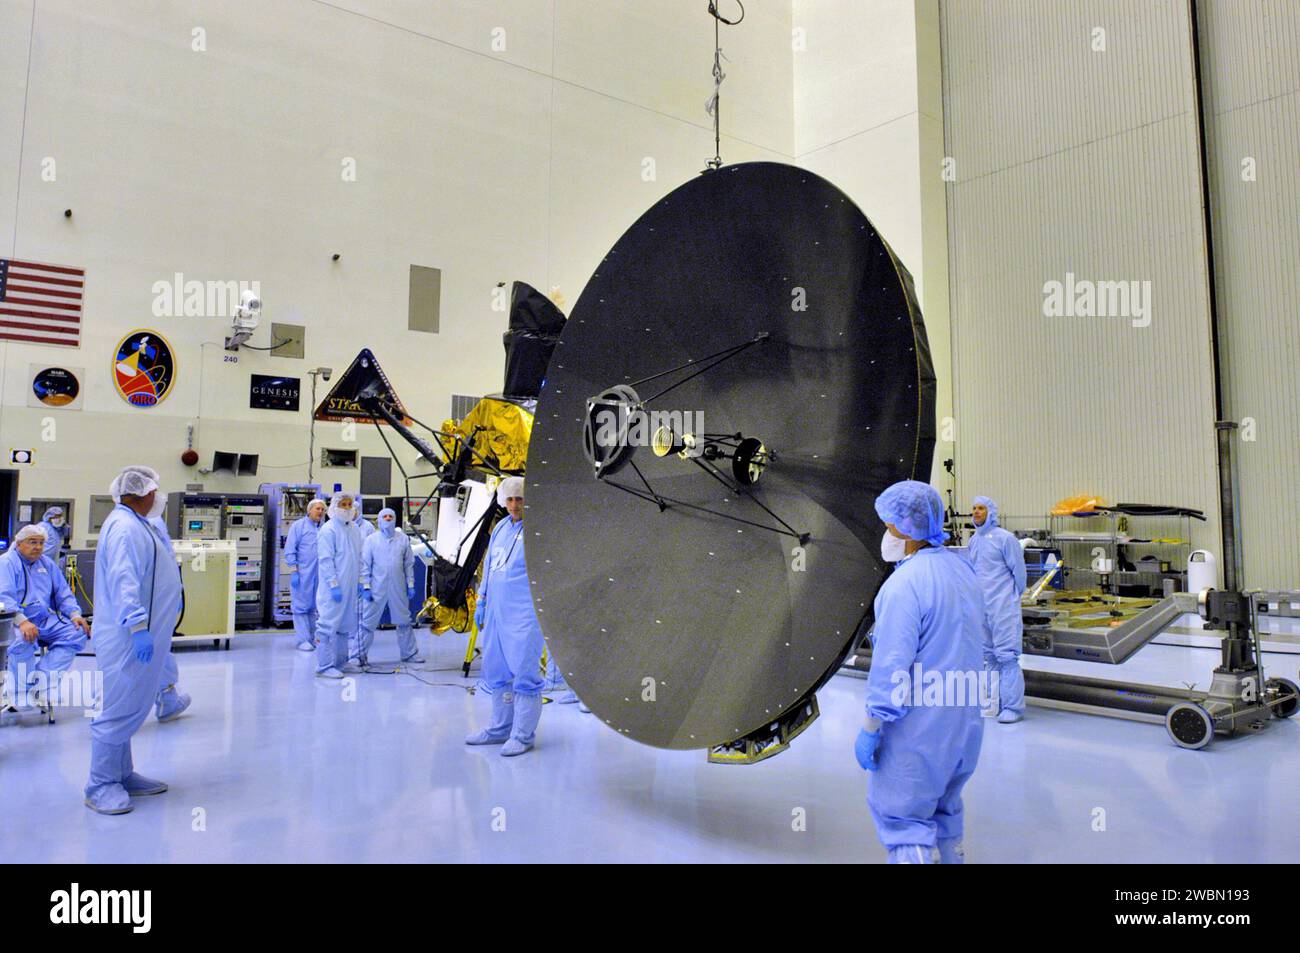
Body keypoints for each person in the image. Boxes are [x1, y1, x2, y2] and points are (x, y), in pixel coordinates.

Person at [856, 480, 985, 864]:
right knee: (946, 810)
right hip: (964, 723)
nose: (887, 532)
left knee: (905, 819)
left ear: (907, 530)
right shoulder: (963, 571)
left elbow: (891, 666)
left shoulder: (904, 584)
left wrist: (871, 727)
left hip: (919, 729)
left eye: (890, 524)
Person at [84, 465, 180, 815]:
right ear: (143, 493)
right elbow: (125, 581)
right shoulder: (124, 528)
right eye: (156, 490)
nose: (159, 497)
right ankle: (100, 783)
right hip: (128, 636)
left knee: (130, 704)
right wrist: (138, 628)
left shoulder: (138, 524)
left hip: (144, 633)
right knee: (116, 707)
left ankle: (121, 773)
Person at [466, 476, 545, 756]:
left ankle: (523, 735)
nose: (514, 505)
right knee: (497, 670)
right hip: (496, 612)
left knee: (524, 671)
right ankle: (500, 728)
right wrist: (482, 601)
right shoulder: (500, 527)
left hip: (524, 613)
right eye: (510, 499)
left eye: (520, 499)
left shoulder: (539, 530)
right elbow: (488, 566)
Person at [1, 524, 90, 710]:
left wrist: (75, 615)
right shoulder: (7, 563)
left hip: (42, 619)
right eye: (32, 542)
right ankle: (20, 693)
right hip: (13, 621)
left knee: (76, 632)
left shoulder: (47, 564)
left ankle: (40, 683)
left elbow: (62, 593)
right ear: (19, 544)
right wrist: (22, 621)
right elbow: (4, 596)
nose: (38, 547)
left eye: (41, 543)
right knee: (22, 640)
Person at [968, 495, 1026, 723]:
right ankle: (992, 703)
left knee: (1007, 657)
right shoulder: (974, 541)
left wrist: (1011, 598)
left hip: (1003, 607)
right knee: (988, 657)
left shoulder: (1005, 539)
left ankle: (1013, 707)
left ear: (991, 512)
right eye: (973, 508)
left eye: (981, 508)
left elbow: (1019, 573)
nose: (976, 512)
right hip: (981, 607)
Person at [354, 508, 422, 666]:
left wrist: (410, 584)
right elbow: (365, 565)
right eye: (384, 516)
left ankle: (410, 654)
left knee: (404, 620)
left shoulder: (403, 539)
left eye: (391, 516)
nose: (388, 518)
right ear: (378, 520)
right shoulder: (371, 540)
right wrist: (365, 586)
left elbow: (408, 564)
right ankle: (358, 656)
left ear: (395, 519)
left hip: (398, 587)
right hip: (376, 587)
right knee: (367, 622)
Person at [315, 491, 364, 678]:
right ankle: (324, 666)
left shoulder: (354, 529)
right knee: (326, 625)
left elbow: (359, 557)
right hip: (333, 588)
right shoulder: (328, 530)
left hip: (351, 586)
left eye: (349, 504)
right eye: (343, 504)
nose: (347, 508)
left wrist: (360, 581)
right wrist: (334, 584)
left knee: (345, 625)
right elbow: (326, 560)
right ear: (334, 507)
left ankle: (341, 662)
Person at [284, 499, 326, 652]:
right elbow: (290, 549)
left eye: (322, 509)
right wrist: (294, 570)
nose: (320, 512)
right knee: (301, 607)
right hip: (303, 573)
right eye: (317, 509)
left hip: (320, 574)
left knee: (315, 607)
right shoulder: (298, 526)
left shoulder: (325, 528)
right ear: (309, 510)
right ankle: (303, 640)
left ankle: (315, 638)